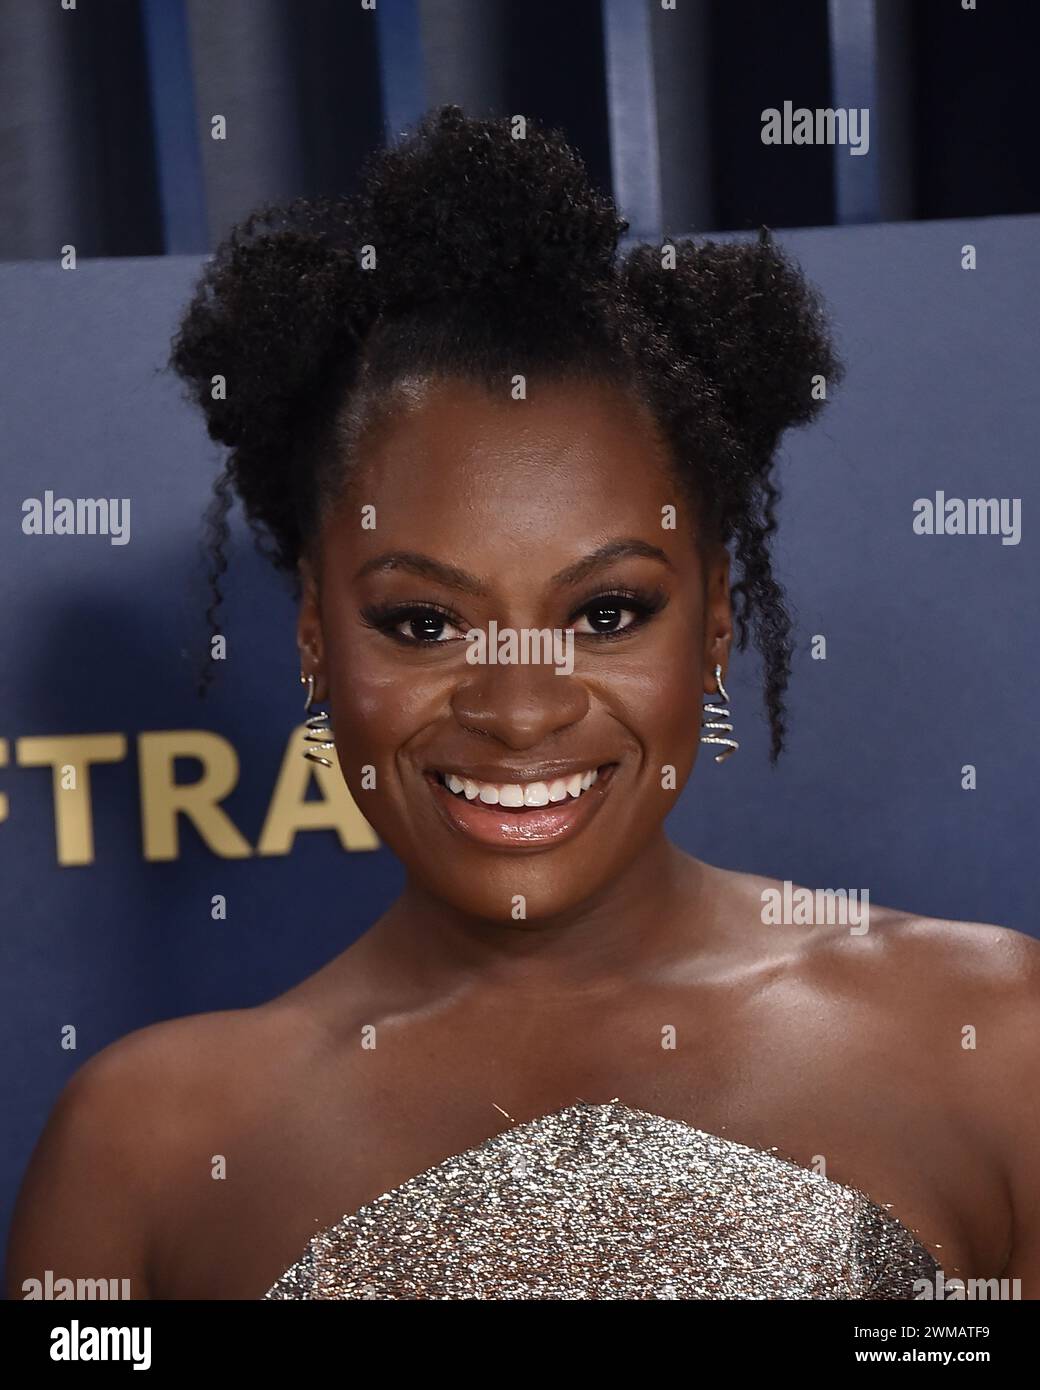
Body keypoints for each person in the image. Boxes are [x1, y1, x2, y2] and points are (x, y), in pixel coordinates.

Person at [7, 105, 1038, 1301]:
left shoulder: (994, 1040)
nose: (516, 706)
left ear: (713, 625)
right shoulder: (141, 1153)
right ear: (311, 633)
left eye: (604, 612)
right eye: (421, 622)